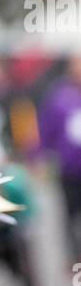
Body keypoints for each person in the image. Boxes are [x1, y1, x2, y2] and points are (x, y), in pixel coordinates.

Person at [37, 54, 81, 270]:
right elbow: (46, 131)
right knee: (69, 217)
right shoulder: (59, 97)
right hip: (70, 171)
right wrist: (39, 157)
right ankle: (73, 258)